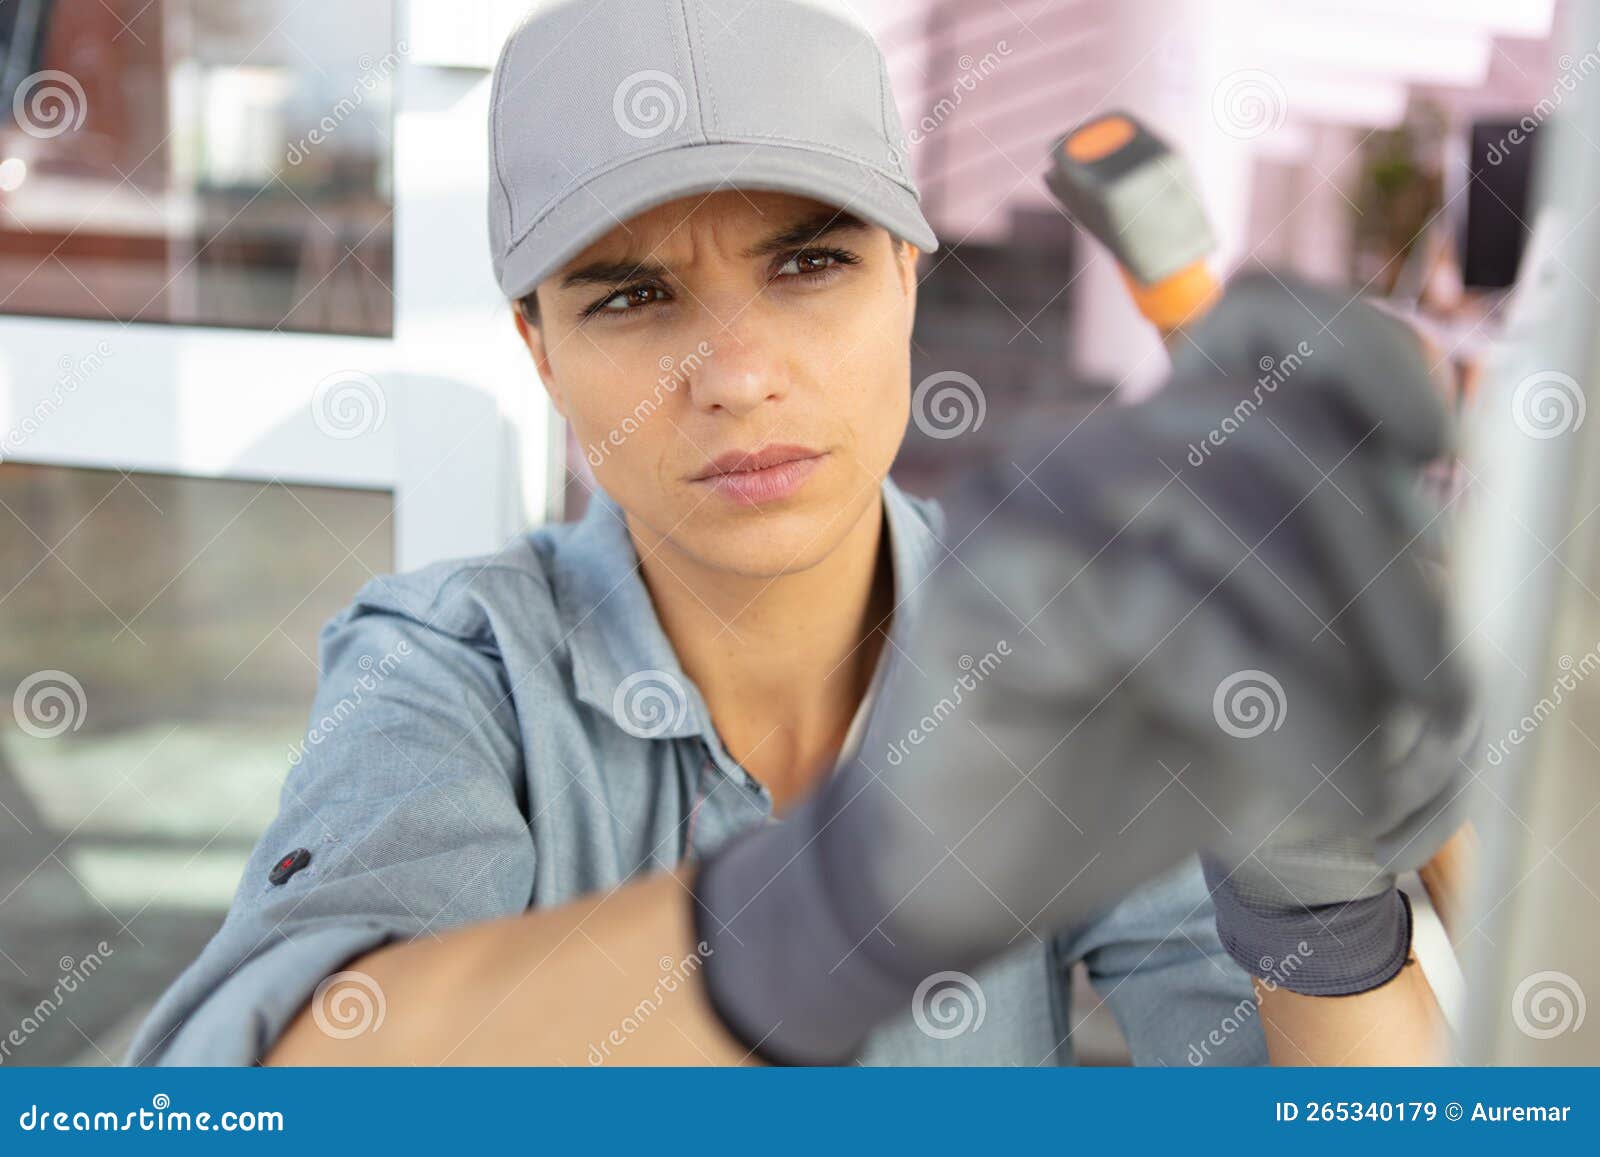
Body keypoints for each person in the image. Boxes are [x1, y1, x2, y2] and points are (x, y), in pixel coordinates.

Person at [126, 0, 1468, 1068]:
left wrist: (1322, 922)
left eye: (810, 263)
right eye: (635, 295)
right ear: (539, 350)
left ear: (906, 276)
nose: (737, 373)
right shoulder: (451, 666)